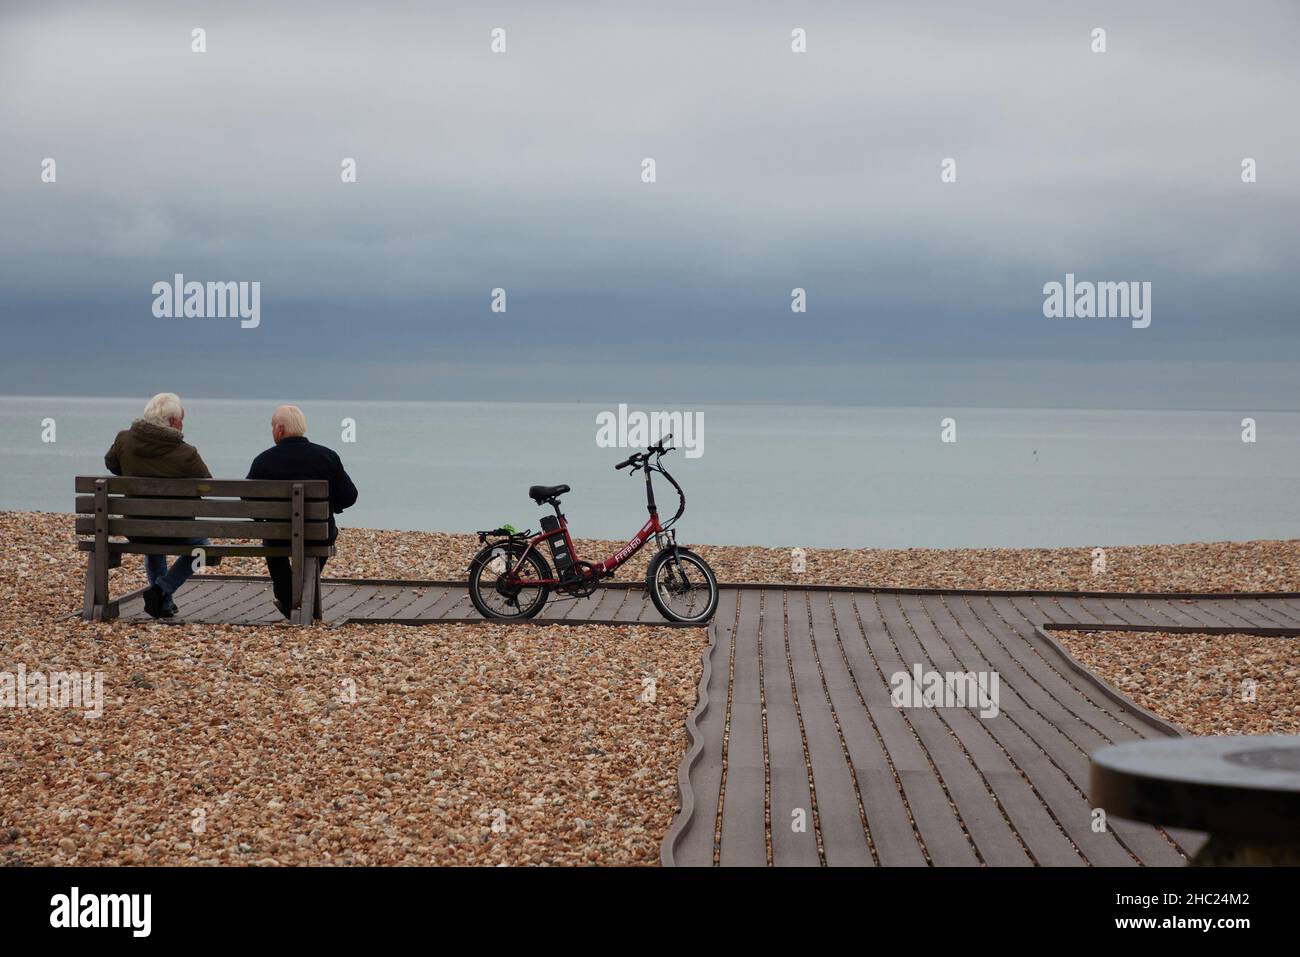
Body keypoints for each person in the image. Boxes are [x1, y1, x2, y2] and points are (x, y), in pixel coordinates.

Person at [104, 392, 212, 619]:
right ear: (173, 422)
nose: (183, 424)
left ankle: (163, 605)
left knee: (153, 541)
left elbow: (111, 464)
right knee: (203, 547)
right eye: (182, 419)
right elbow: (207, 487)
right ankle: (161, 590)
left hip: (136, 530)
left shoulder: (124, 440)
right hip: (177, 531)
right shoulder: (187, 453)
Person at [246, 405, 358, 618]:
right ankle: (305, 597)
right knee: (325, 535)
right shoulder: (327, 457)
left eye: (272, 427)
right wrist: (331, 506)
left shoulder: (264, 461)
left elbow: (249, 503)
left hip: (279, 537)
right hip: (318, 535)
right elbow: (349, 496)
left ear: (279, 430)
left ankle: (288, 599)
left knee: (271, 542)